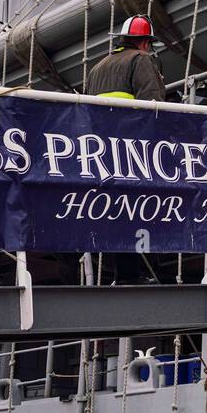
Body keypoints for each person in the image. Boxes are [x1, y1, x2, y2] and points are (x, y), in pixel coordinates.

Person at [86, 14, 166, 284]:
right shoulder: (141, 60)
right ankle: (135, 274)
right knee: (140, 210)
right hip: (133, 150)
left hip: (101, 152)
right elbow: (153, 105)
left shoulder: (97, 67)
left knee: (115, 212)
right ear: (144, 43)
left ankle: (124, 274)